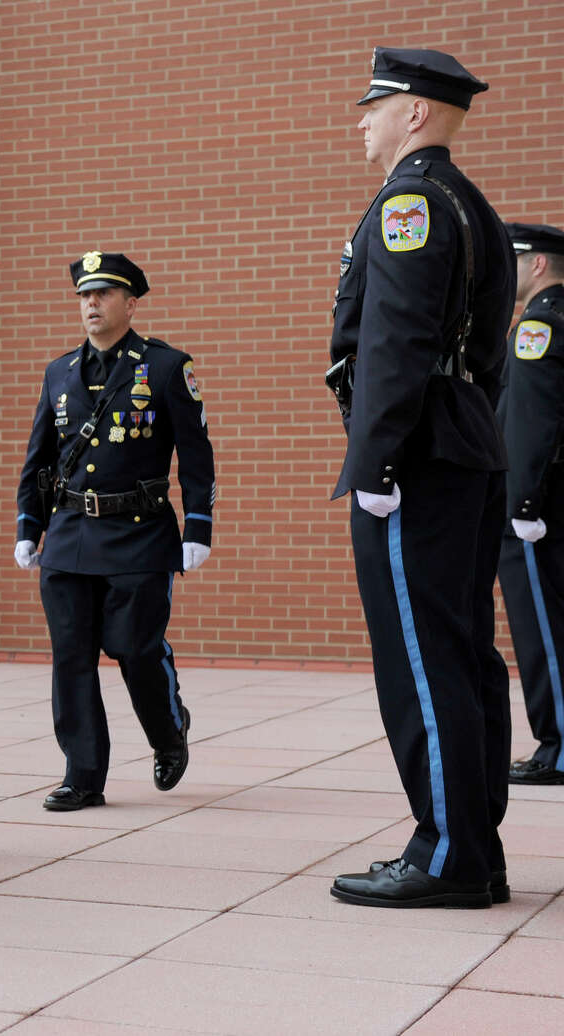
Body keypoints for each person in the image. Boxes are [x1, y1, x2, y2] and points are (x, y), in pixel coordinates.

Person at [326, 48, 514, 908]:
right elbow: (484, 357)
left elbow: (395, 341)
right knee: (464, 652)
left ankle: (447, 856)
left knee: (423, 659)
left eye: (375, 104)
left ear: (415, 112)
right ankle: (474, 843)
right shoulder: (471, 204)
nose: (360, 118)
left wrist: (377, 461)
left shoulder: (410, 202)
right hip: (466, 444)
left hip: (419, 457)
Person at [13, 251, 215, 811]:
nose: (92, 304)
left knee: (133, 648)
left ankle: (168, 730)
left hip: (140, 534)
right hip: (71, 534)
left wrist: (198, 527)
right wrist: (29, 525)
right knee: (71, 657)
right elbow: (39, 458)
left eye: (103, 294)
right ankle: (83, 775)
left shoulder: (168, 367)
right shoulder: (60, 372)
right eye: (85, 295)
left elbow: (197, 456)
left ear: (130, 303)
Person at [497, 223, 564, 786]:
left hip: (541, 508)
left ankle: (559, 745)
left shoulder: (539, 325)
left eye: (515, 259)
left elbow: (532, 423)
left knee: (544, 626)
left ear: (537, 264)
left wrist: (522, 502)